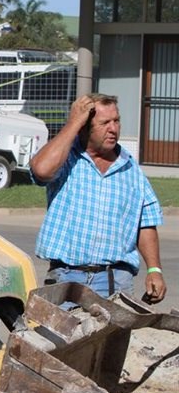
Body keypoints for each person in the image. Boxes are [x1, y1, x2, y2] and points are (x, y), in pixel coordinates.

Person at [30, 93, 166, 303]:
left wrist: (154, 269)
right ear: (84, 127)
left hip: (115, 281)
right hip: (67, 278)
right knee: (59, 336)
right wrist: (74, 122)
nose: (113, 128)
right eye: (105, 123)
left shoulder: (131, 169)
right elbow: (41, 170)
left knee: (111, 337)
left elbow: (145, 223)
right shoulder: (66, 160)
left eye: (117, 120)